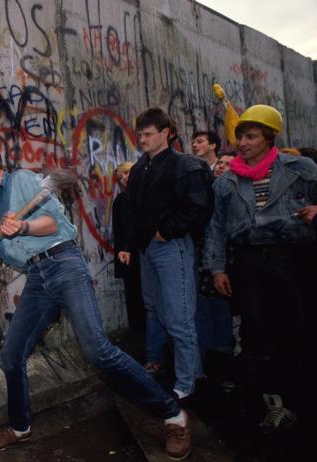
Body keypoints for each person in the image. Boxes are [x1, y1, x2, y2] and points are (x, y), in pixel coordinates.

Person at [0, 142, 191, 460]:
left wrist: (23, 225)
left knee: (98, 351)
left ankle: (173, 414)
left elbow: (52, 224)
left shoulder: (22, 181)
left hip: (63, 262)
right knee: (12, 354)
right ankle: (20, 427)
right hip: (37, 276)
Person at [203, 104, 317, 432]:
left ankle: (305, 400)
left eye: (251, 136)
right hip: (250, 264)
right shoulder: (227, 183)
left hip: (294, 262)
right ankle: (275, 404)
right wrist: (217, 269)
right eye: (240, 136)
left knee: (300, 330)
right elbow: (215, 229)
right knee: (257, 336)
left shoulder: (301, 167)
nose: (243, 142)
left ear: (269, 138)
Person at [117, 108, 213, 400]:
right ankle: (186, 372)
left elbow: (199, 207)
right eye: (140, 134)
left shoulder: (186, 165)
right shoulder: (139, 169)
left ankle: (187, 383)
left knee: (179, 317)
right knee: (155, 310)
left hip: (173, 248)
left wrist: (166, 231)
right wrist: (129, 244)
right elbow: (134, 210)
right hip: (148, 250)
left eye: (148, 134)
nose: (142, 139)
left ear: (166, 133)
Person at [112, 161, 144, 332]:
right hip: (129, 260)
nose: (124, 178)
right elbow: (119, 233)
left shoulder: (148, 196)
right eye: (120, 177)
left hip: (147, 256)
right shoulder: (120, 201)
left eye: (126, 173)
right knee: (135, 302)